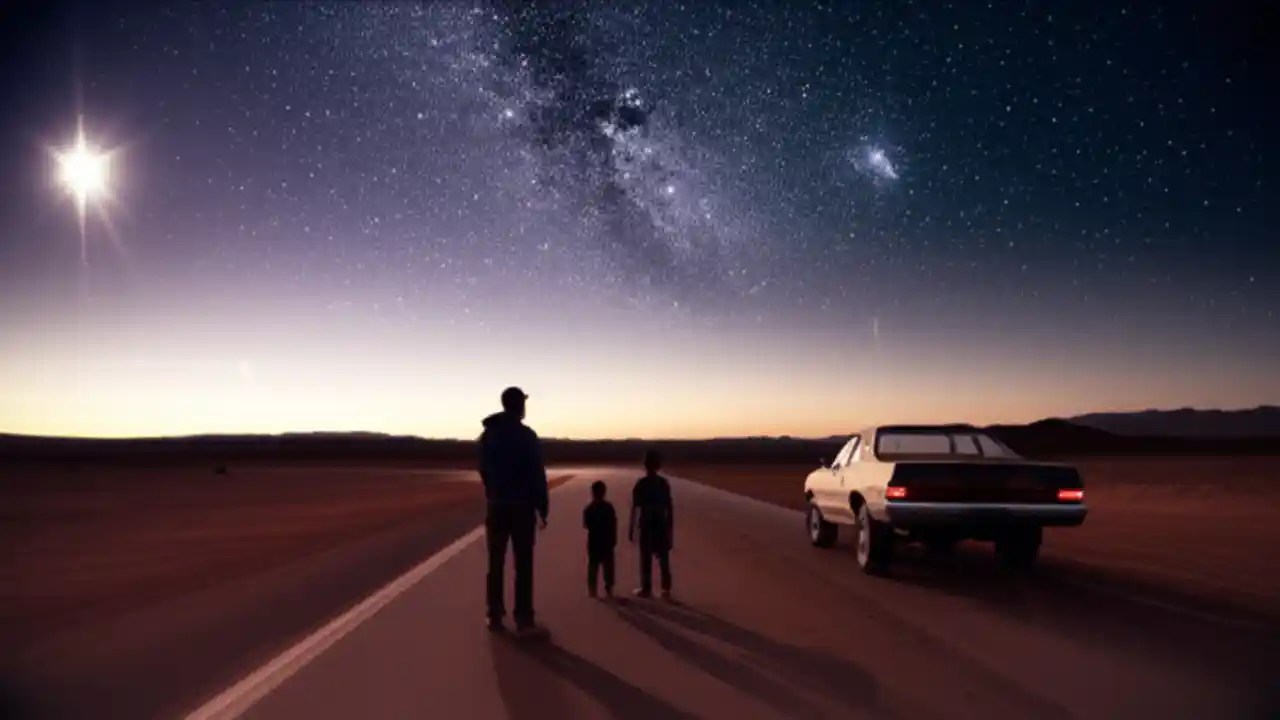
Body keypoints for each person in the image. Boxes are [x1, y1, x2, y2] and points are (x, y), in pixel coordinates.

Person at [478, 386, 548, 635]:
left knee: (495, 563)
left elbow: (483, 469)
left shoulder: (489, 435)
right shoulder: (527, 436)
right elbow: (536, 473)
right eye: (523, 403)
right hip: (521, 508)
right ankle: (523, 619)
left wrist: (494, 493)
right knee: (523, 564)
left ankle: (494, 614)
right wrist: (542, 505)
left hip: (497, 507)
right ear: (517, 405)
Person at [629, 448, 674, 599]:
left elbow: (635, 507)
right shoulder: (663, 484)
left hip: (648, 525)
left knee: (646, 558)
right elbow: (669, 507)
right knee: (663, 558)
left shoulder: (642, 484)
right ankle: (665, 589)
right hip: (660, 523)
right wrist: (670, 527)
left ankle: (646, 588)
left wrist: (631, 528)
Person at [582, 480, 617, 599]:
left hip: (594, 541)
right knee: (608, 566)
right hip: (607, 540)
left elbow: (586, 525)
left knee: (593, 565)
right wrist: (614, 538)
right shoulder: (609, 507)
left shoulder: (589, 509)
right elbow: (613, 523)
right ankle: (609, 588)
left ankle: (593, 589)